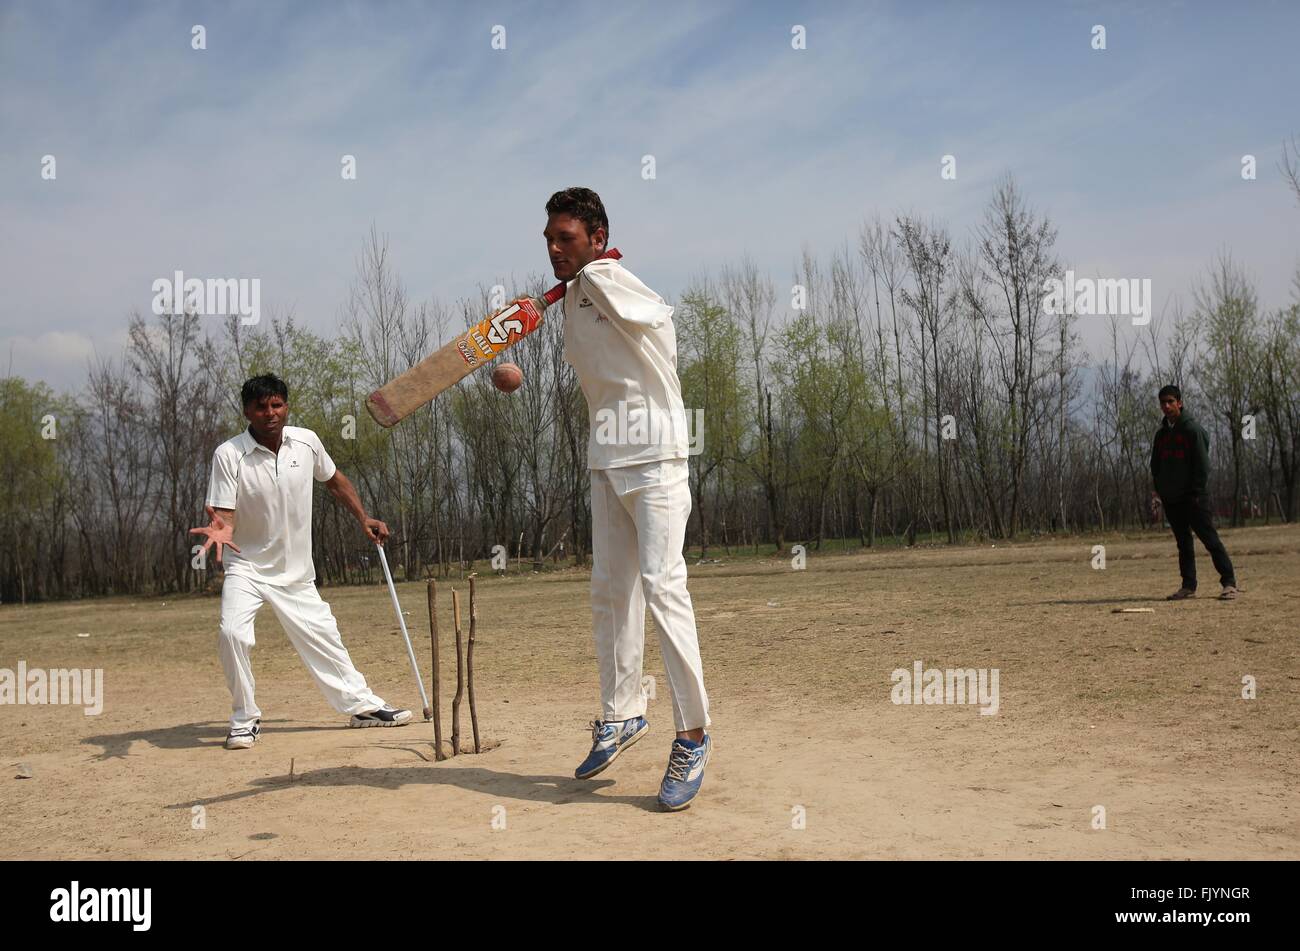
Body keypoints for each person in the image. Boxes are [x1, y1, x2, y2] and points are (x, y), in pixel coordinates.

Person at [544, 187, 712, 810]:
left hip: (657, 454)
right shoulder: (574, 299)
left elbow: (659, 316)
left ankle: (692, 733)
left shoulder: (607, 276)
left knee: (664, 587)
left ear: (595, 234)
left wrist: (588, 274)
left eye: (567, 238)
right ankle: (622, 714)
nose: (556, 250)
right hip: (605, 458)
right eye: (550, 240)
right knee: (611, 591)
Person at [191, 374, 412, 750]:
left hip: (294, 571)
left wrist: (364, 518)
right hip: (246, 566)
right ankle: (244, 719)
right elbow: (223, 513)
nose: (270, 413)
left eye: (277, 405)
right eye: (261, 407)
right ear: (247, 411)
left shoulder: (306, 442)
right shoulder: (229, 454)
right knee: (232, 634)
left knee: (324, 636)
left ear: (286, 406)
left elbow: (334, 480)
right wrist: (221, 531)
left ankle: (363, 708)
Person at [1150, 384, 1239, 601]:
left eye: (1171, 401)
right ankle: (1188, 586)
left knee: (1209, 539)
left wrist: (1196, 492)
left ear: (1179, 402)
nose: (1167, 406)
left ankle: (1229, 583)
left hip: (1194, 498)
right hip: (1172, 499)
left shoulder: (1192, 430)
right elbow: (1155, 465)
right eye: (1163, 402)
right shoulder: (1161, 435)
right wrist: (1161, 490)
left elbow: (1202, 465)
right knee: (1184, 543)